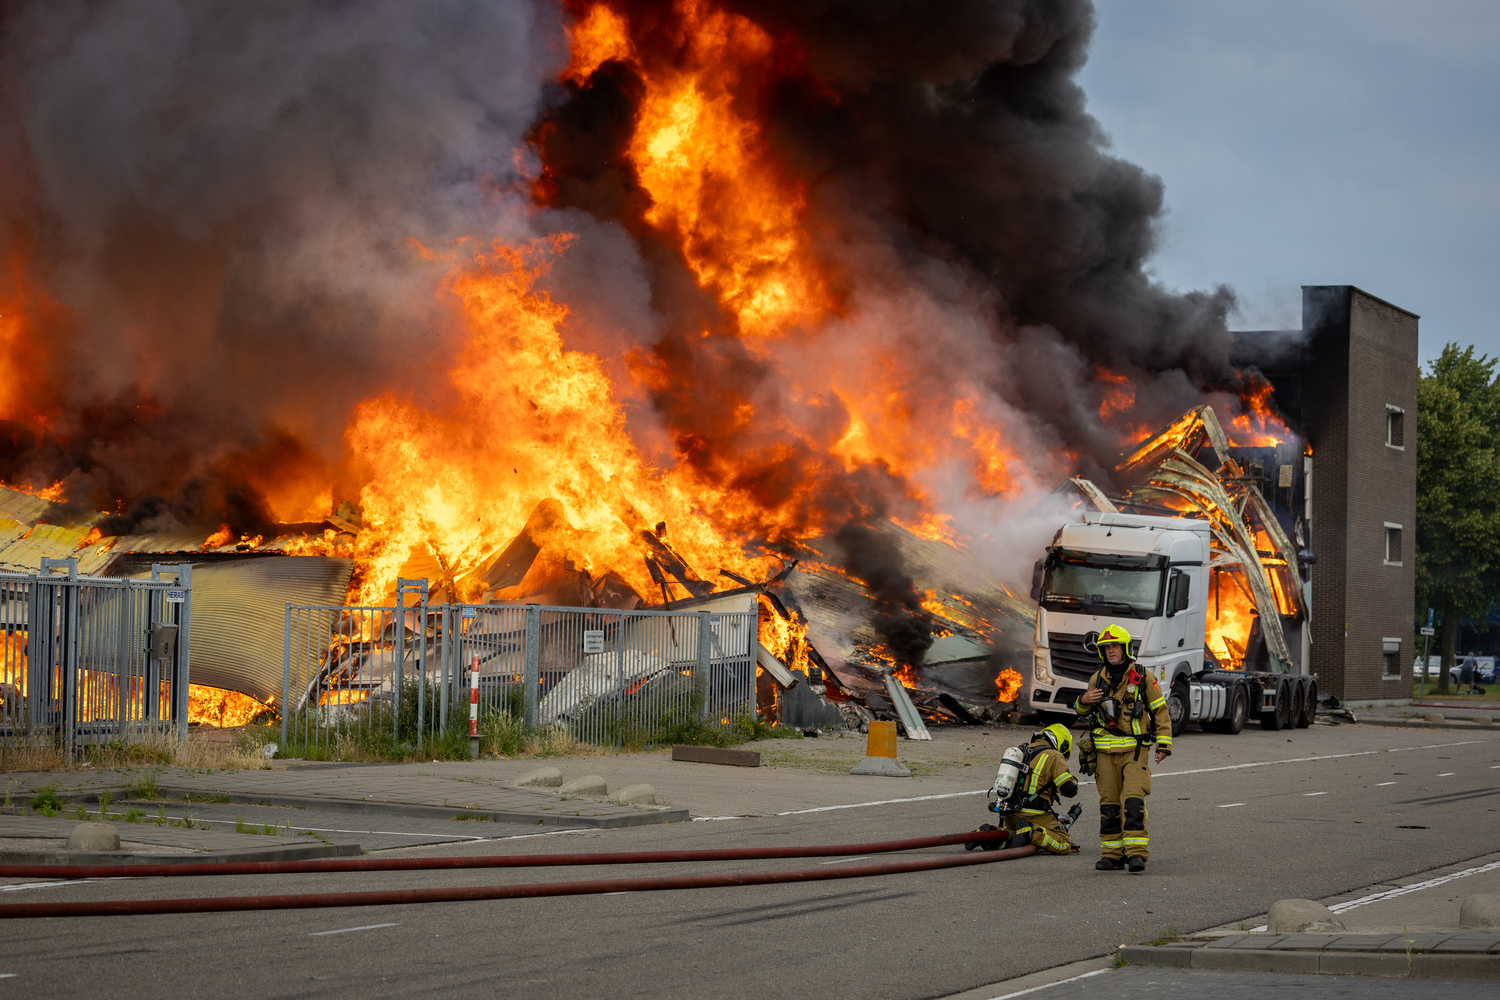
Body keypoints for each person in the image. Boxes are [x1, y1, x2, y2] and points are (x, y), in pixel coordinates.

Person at [1077, 624, 1172, 873]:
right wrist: (1083, 701)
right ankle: (1112, 855)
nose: (1111, 651)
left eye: (1115, 646)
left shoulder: (1143, 678)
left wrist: (1164, 744)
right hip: (1105, 754)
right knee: (1109, 806)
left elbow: (1161, 712)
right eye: (1106, 647)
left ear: (1126, 648)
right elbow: (1083, 711)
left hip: (1134, 751)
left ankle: (1136, 855)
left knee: (1132, 803)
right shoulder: (1097, 679)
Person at [1000, 723, 1080, 854]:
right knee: (1063, 843)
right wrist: (1073, 780)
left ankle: (989, 836)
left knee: (1013, 836)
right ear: (1063, 743)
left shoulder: (1022, 751)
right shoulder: (1053, 756)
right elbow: (1068, 789)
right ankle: (1031, 832)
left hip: (1009, 815)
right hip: (1034, 815)